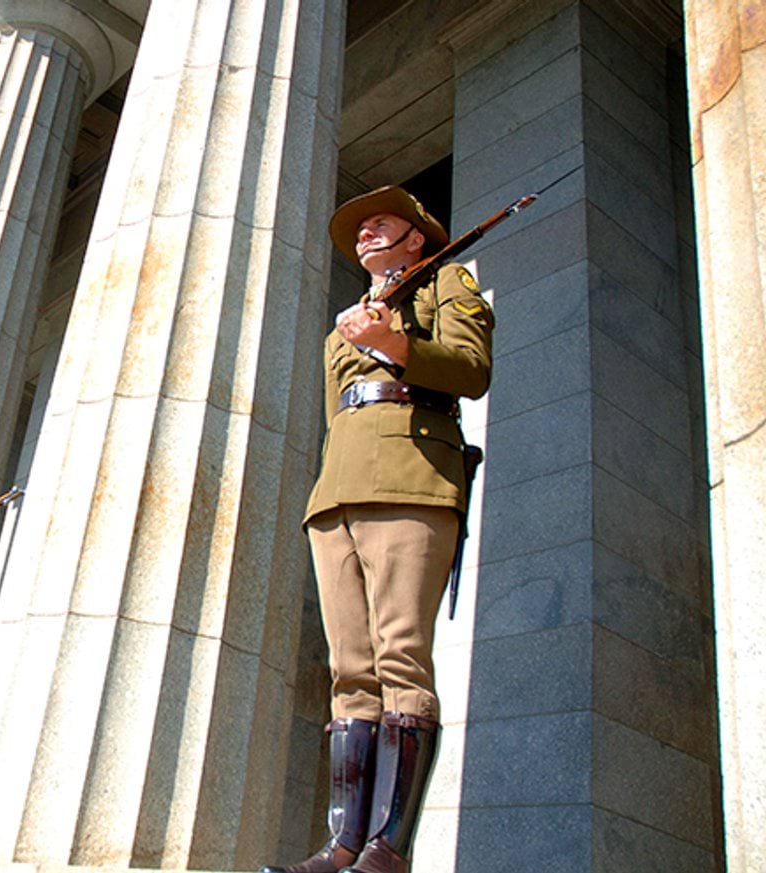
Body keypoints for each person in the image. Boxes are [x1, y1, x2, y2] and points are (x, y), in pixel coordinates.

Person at [263, 186, 493, 873]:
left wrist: (393, 342)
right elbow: (341, 413)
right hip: (338, 491)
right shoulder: (342, 324)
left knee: (400, 657)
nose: (364, 232)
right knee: (350, 672)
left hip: (411, 475)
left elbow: (471, 369)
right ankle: (343, 844)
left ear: (416, 238)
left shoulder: (446, 280)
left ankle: (388, 848)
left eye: (381, 223)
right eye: (359, 228)